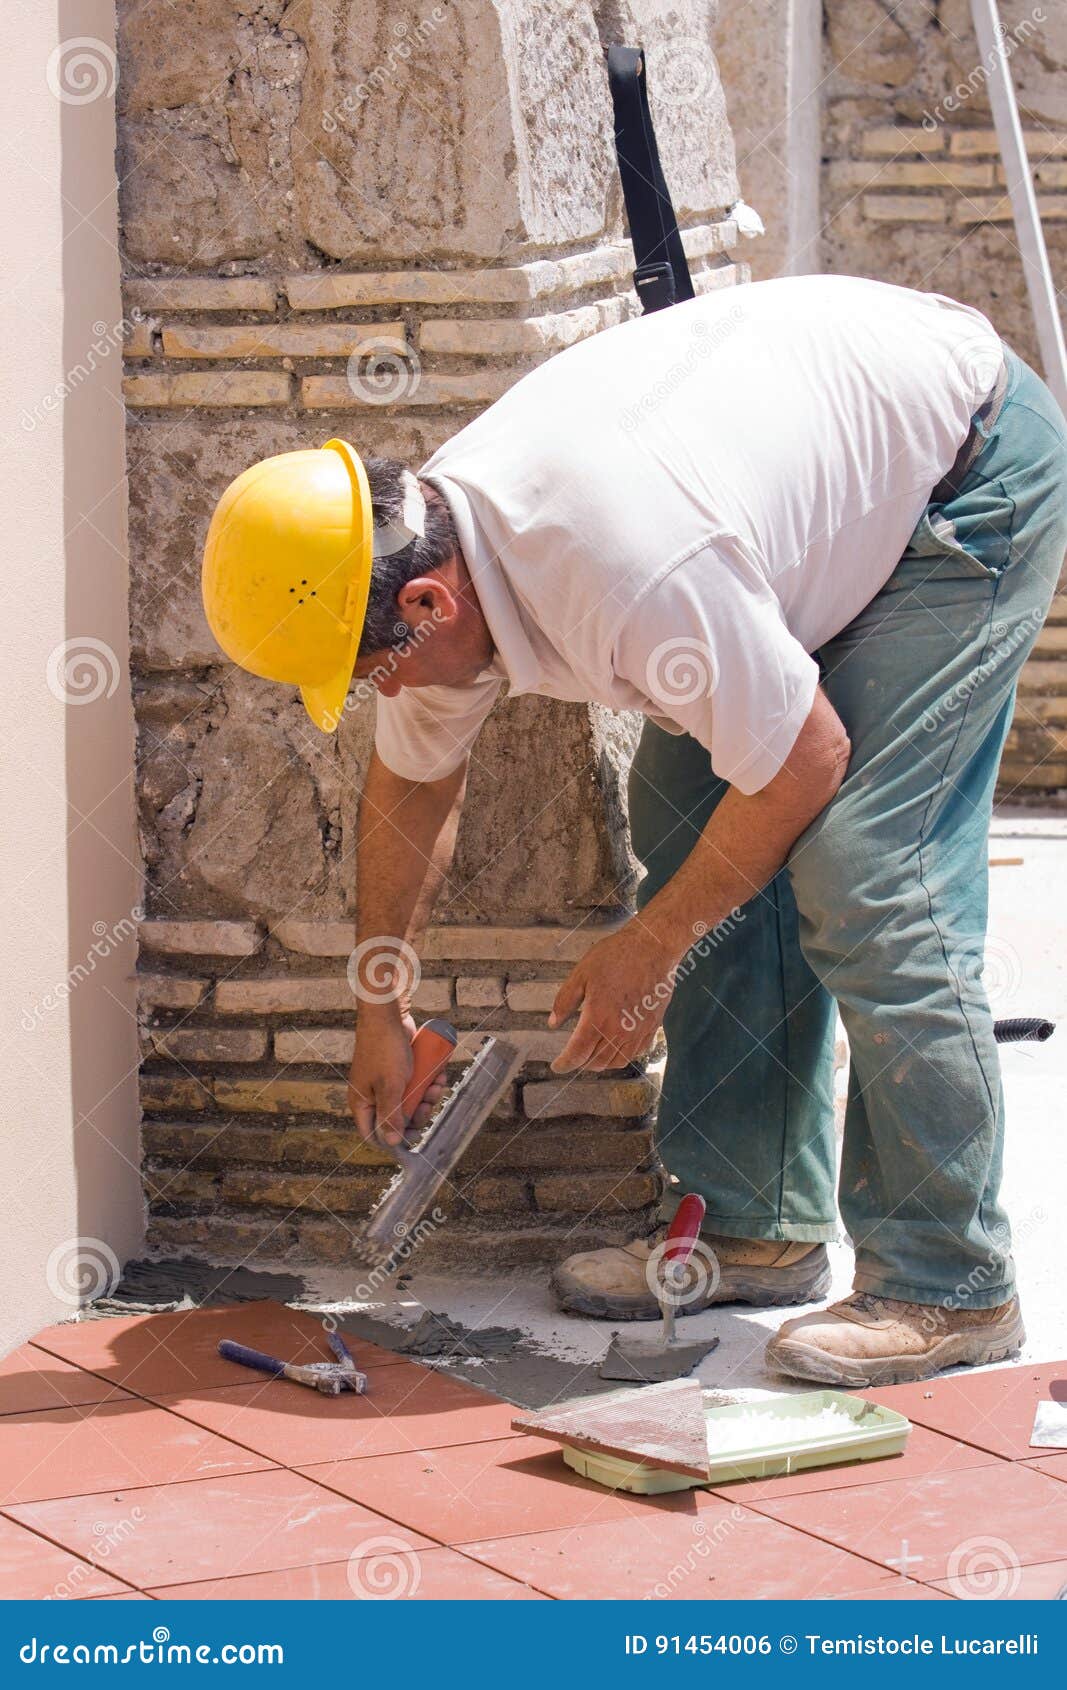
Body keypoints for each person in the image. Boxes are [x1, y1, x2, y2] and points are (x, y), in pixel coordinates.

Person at [201, 274, 1067, 1386]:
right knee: (694, 828)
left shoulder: (619, 568)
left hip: (960, 480)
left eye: (368, 672)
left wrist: (648, 946)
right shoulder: (427, 554)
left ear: (425, 608)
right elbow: (410, 796)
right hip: (803, 515)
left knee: (867, 875)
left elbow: (806, 757)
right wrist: (381, 1004)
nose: (377, 692)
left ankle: (949, 1280)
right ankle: (751, 1224)